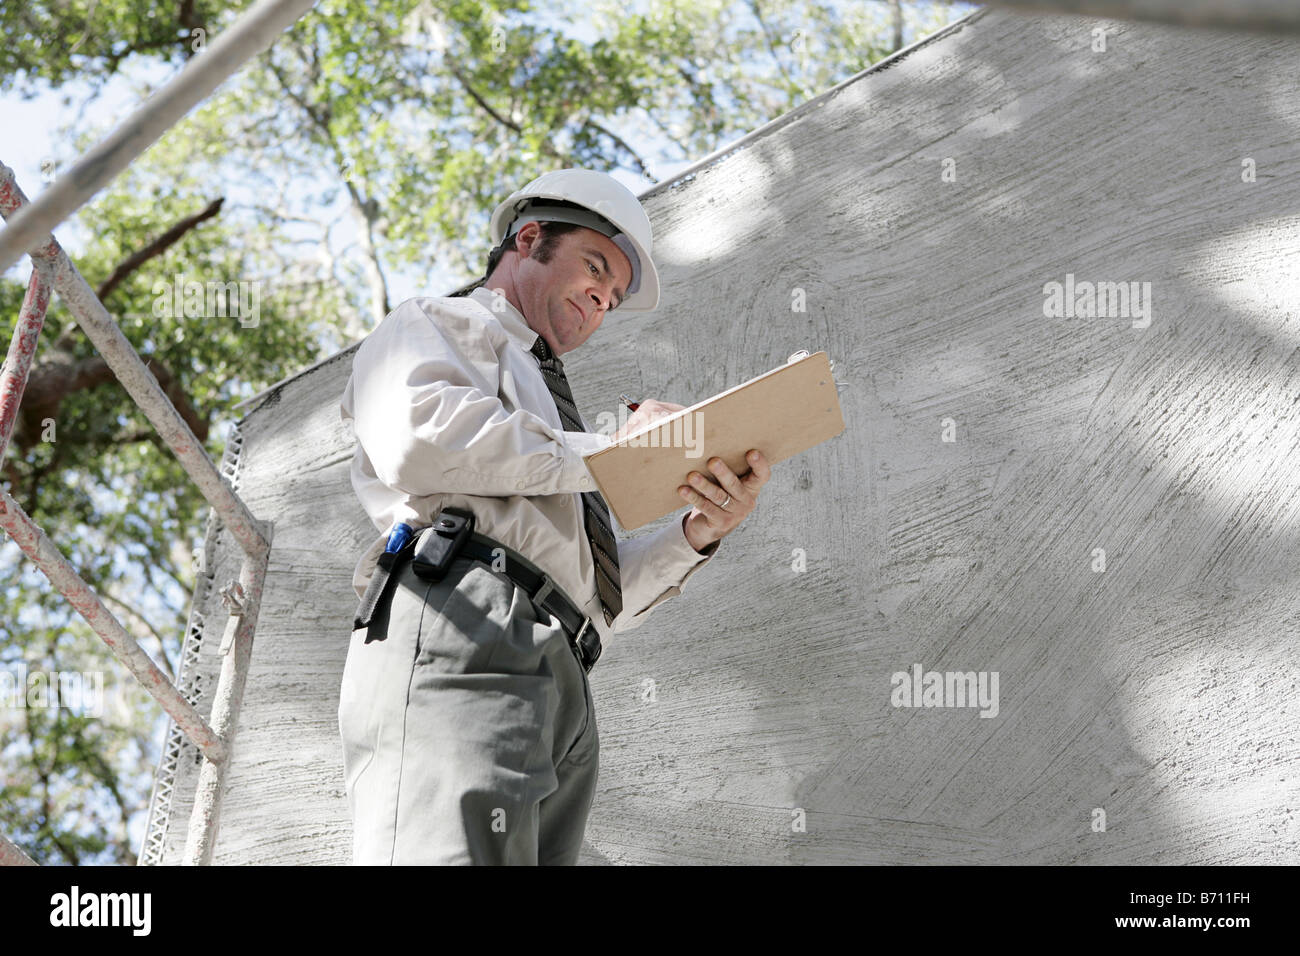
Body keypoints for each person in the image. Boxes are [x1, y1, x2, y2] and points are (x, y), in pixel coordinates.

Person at [337, 167, 772, 865]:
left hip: (564, 668)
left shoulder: (556, 425)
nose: (601, 300)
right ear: (529, 238)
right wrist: (620, 452)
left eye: (613, 298)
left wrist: (696, 533)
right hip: (467, 619)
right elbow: (421, 440)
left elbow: (595, 597)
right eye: (595, 269)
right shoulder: (437, 322)